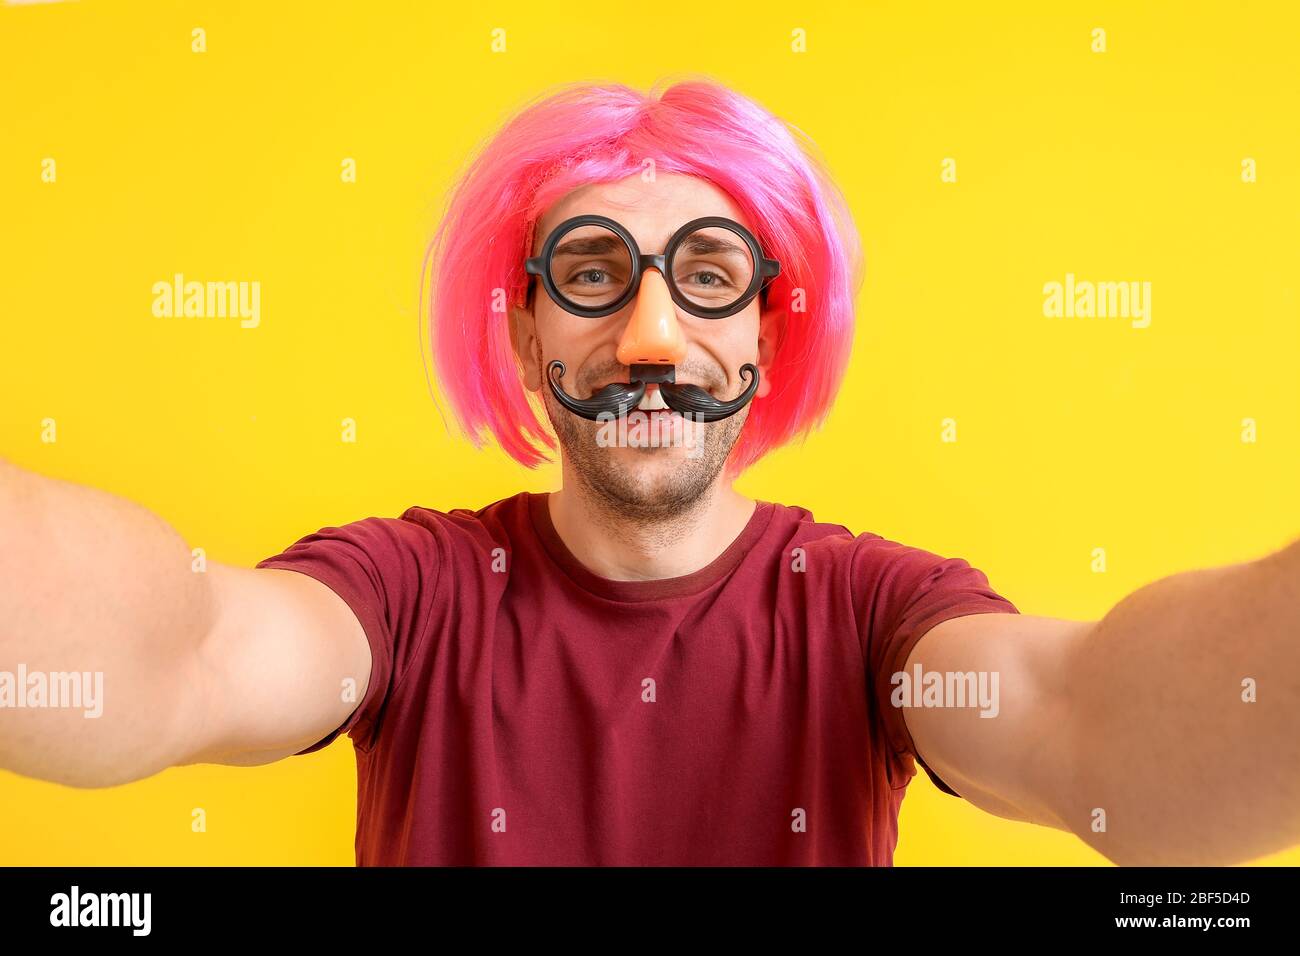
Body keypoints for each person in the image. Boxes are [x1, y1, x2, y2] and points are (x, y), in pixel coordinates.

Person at [2, 78, 1297, 867]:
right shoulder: (409, 592)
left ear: (770, 336)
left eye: (710, 278)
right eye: (591, 276)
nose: (652, 340)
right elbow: (189, 654)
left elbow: (1090, 726)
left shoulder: (871, 615)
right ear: (521, 333)